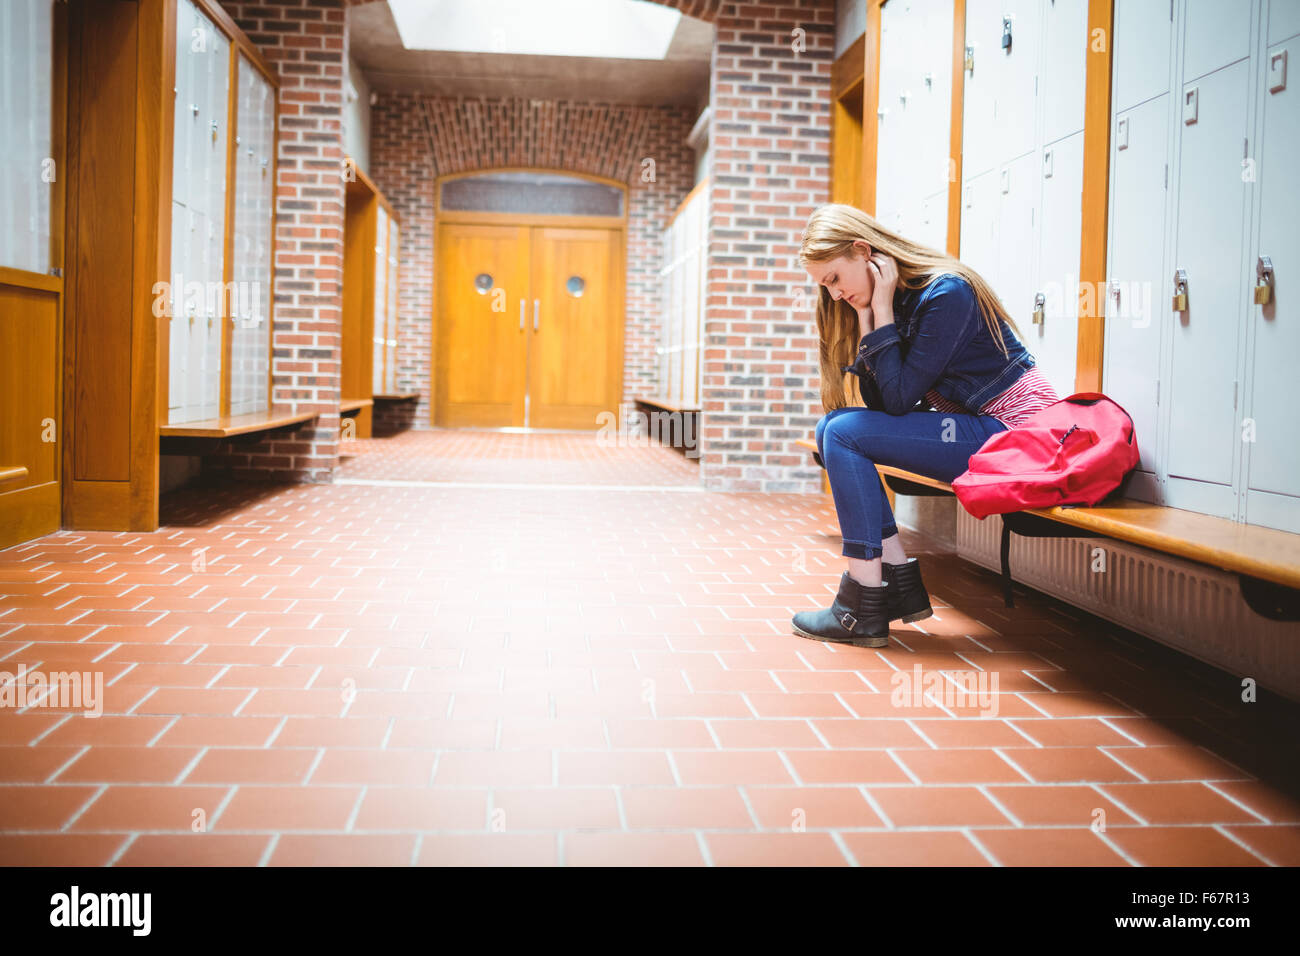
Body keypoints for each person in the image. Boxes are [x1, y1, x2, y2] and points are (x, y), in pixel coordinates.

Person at [792, 203, 1060, 648]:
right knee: (832, 428)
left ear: (863, 251)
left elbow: (895, 401)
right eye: (826, 287)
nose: (834, 294)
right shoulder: (898, 302)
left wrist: (879, 310)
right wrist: (872, 318)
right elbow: (885, 399)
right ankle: (893, 583)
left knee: (839, 432)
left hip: (1017, 437)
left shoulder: (946, 294)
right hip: (978, 428)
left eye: (835, 278)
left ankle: (862, 604)